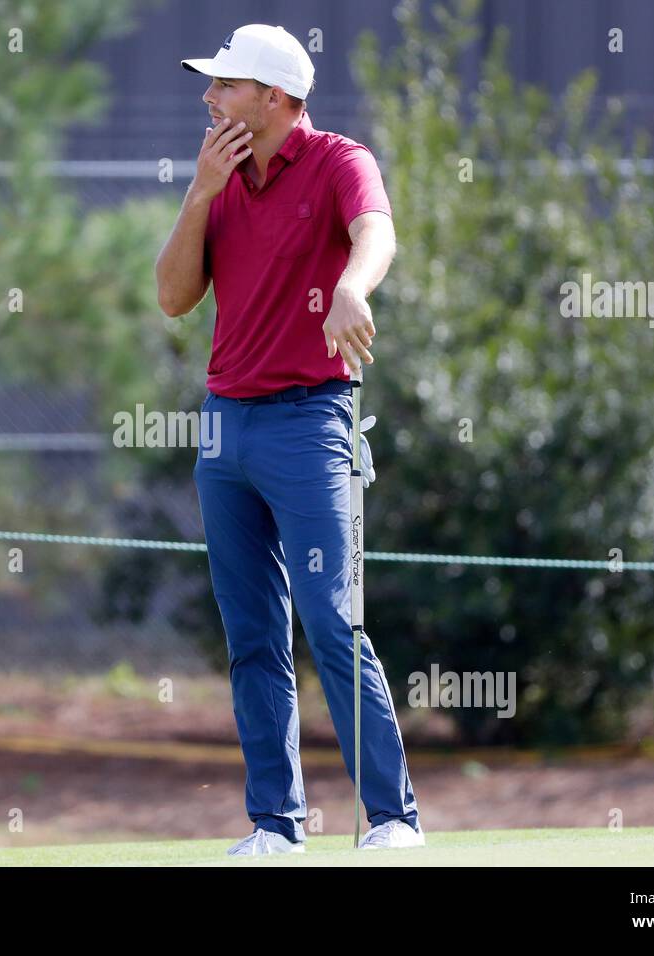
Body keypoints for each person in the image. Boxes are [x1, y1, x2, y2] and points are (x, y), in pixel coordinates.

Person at [155, 25, 422, 854]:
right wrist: (199, 192)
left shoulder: (342, 160)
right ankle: (275, 825)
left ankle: (392, 818)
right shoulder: (221, 177)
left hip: (311, 421)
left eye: (226, 84)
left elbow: (376, 230)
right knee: (253, 636)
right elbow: (172, 297)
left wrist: (350, 284)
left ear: (274, 96)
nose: (210, 97)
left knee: (332, 621)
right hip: (224, 427)